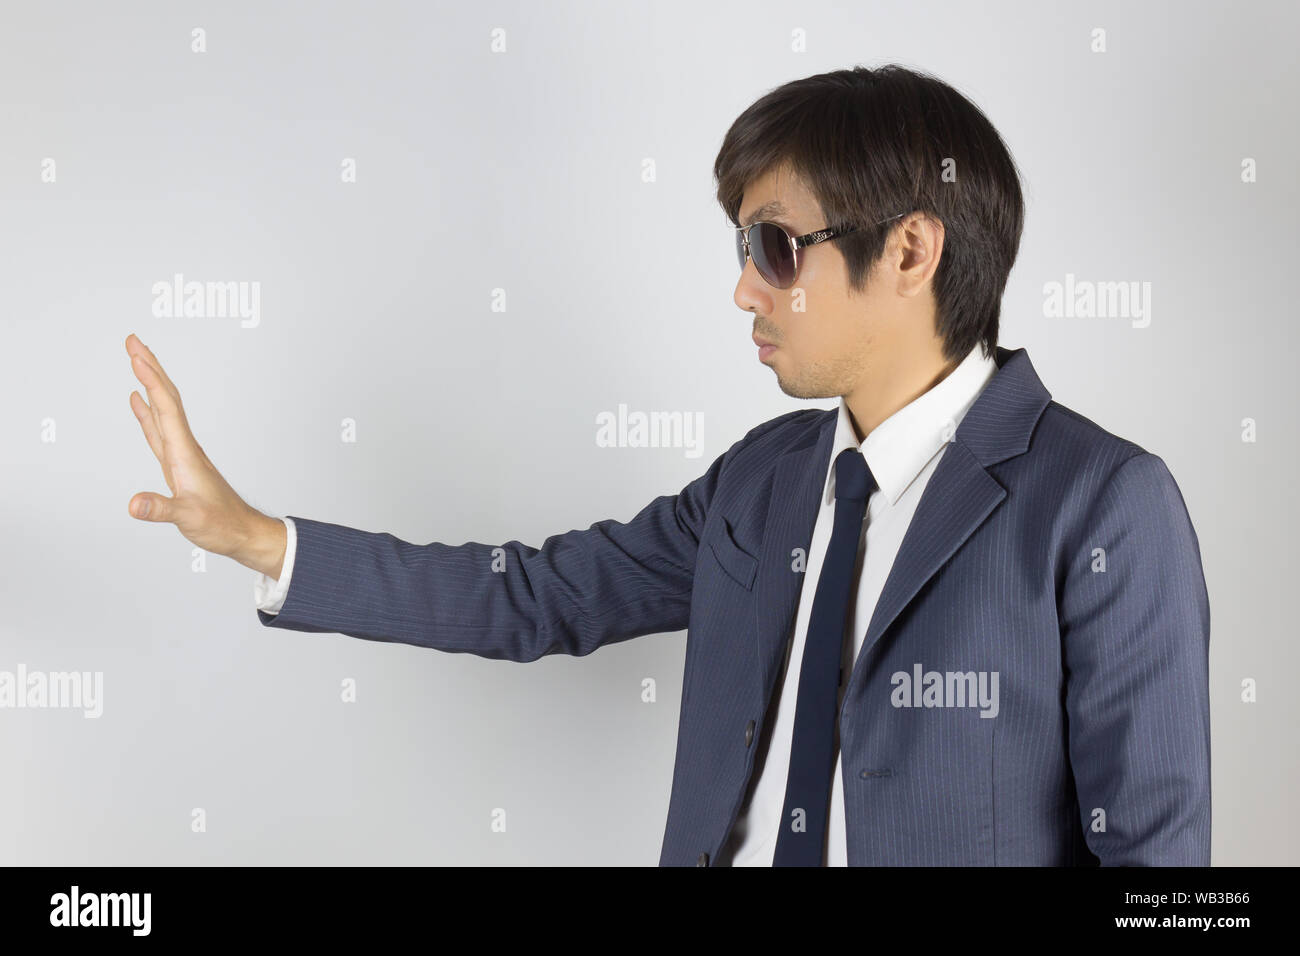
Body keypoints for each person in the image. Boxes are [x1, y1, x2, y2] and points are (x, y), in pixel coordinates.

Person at [125, 64, 1211, 867]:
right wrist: (257, 538)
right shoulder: (764, 480)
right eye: (744, 248)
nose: (745, 289)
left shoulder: (1102, 504)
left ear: (912, 251)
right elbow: (537, 595)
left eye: (775, 246)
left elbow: (1158, 871)